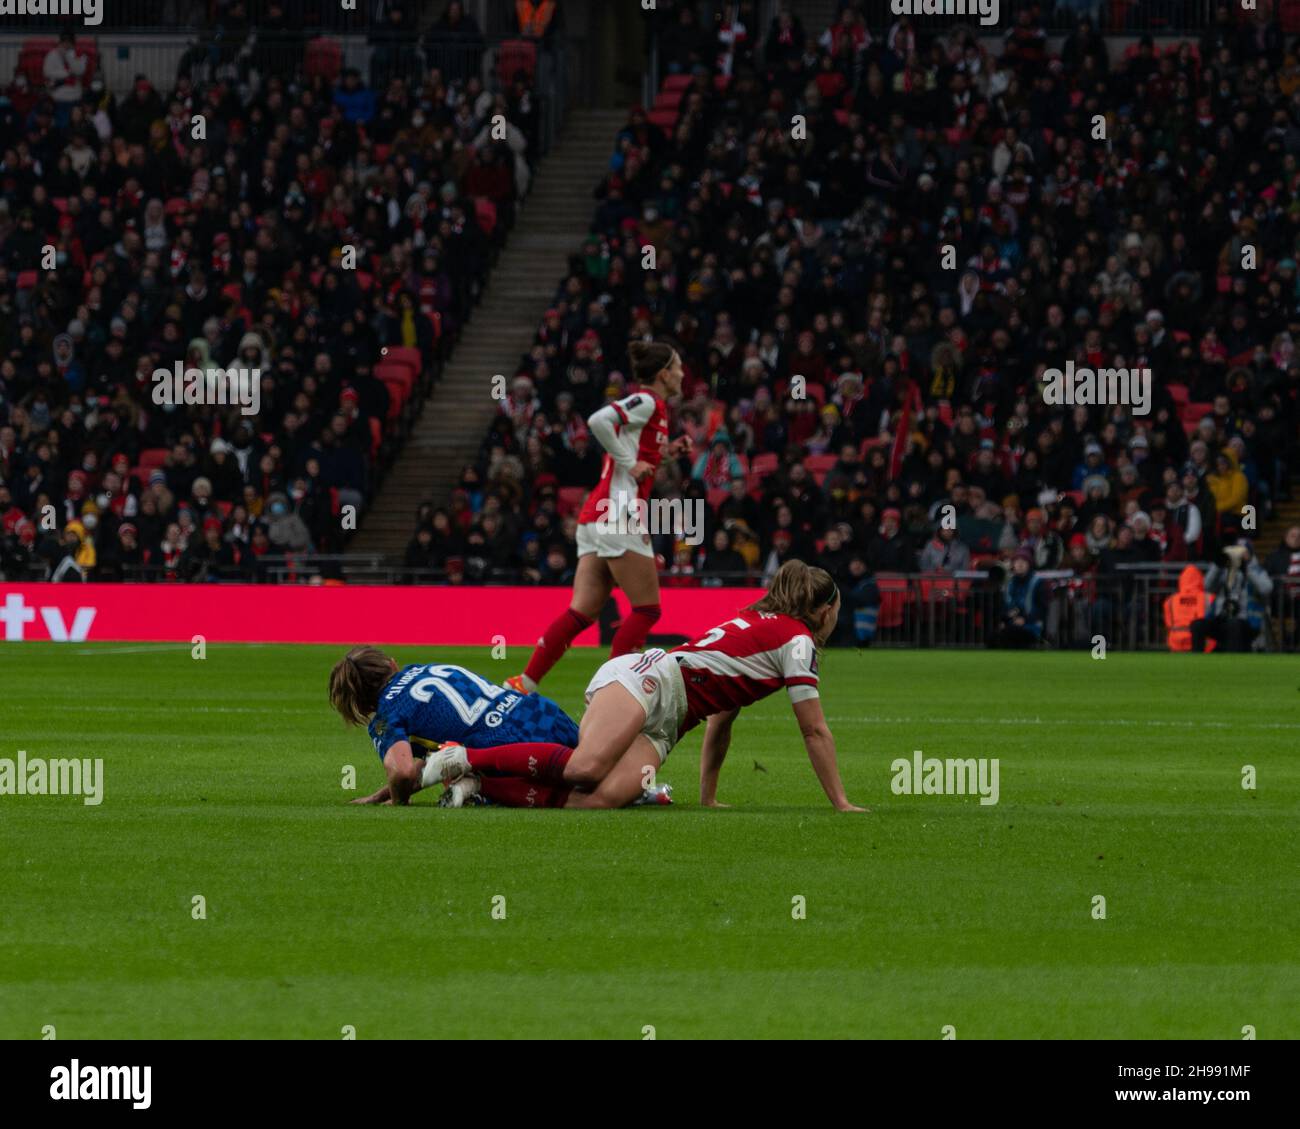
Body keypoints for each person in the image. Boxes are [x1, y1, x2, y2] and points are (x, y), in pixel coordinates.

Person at [422, 560, 867, 812]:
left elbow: (723, 717)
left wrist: (708, 797)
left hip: (667, 724)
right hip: (648, 680)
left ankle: (476, 786)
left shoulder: (761, 622)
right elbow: (813, 730)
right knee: (583, 770)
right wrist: (842, 804)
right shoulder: (798, 640)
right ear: (825, 612)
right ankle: (459, 757)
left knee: (597, 802)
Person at [505, 340, 691, 693]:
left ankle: (524, 683)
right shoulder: (648, 400)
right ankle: (612, 693)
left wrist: (667, 454)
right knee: (647, 610)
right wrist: (629, 462)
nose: (683, 373)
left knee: (581, 613)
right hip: (619, 512)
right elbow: (598, 420)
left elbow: (637, 455)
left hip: (596, 515)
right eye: (679, 366)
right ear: (665, 373)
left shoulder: (657, 411)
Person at [327, 649, 670, 808]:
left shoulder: (387, 715)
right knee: (590, 763)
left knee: (581, 796)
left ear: (359, 702)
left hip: (507, 747)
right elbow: (427, 760)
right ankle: (639, 785)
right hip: (537, 711)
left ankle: (474, 788)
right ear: (391, 664)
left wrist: (397, 801)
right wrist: (380, 793)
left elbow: (402, 771)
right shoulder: (424, 668)